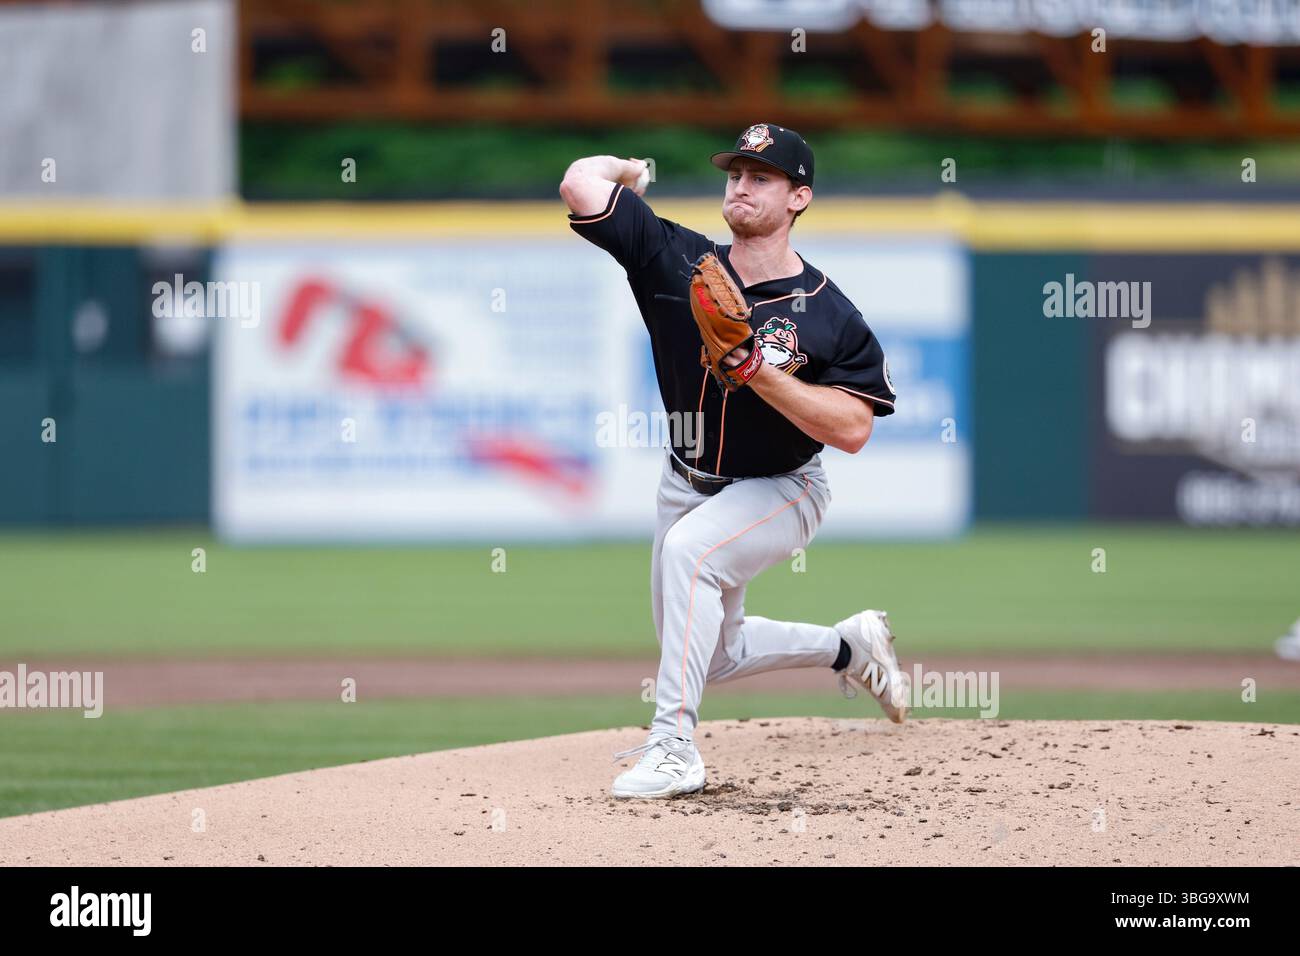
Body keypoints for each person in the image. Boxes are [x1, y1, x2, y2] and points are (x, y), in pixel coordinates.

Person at [561, 123, 909, 799]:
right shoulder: (674, 257)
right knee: (714, 653)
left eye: (762, 177)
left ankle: (674, 747)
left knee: (690, 554)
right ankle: (850, 647)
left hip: (783, 487)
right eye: (735, 175)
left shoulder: (830, 313)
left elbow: (855, 428)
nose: (741, 187)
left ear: (798, 198)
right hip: (684, 483)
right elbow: (579, 183)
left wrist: (757, 371)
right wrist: (629, 166)